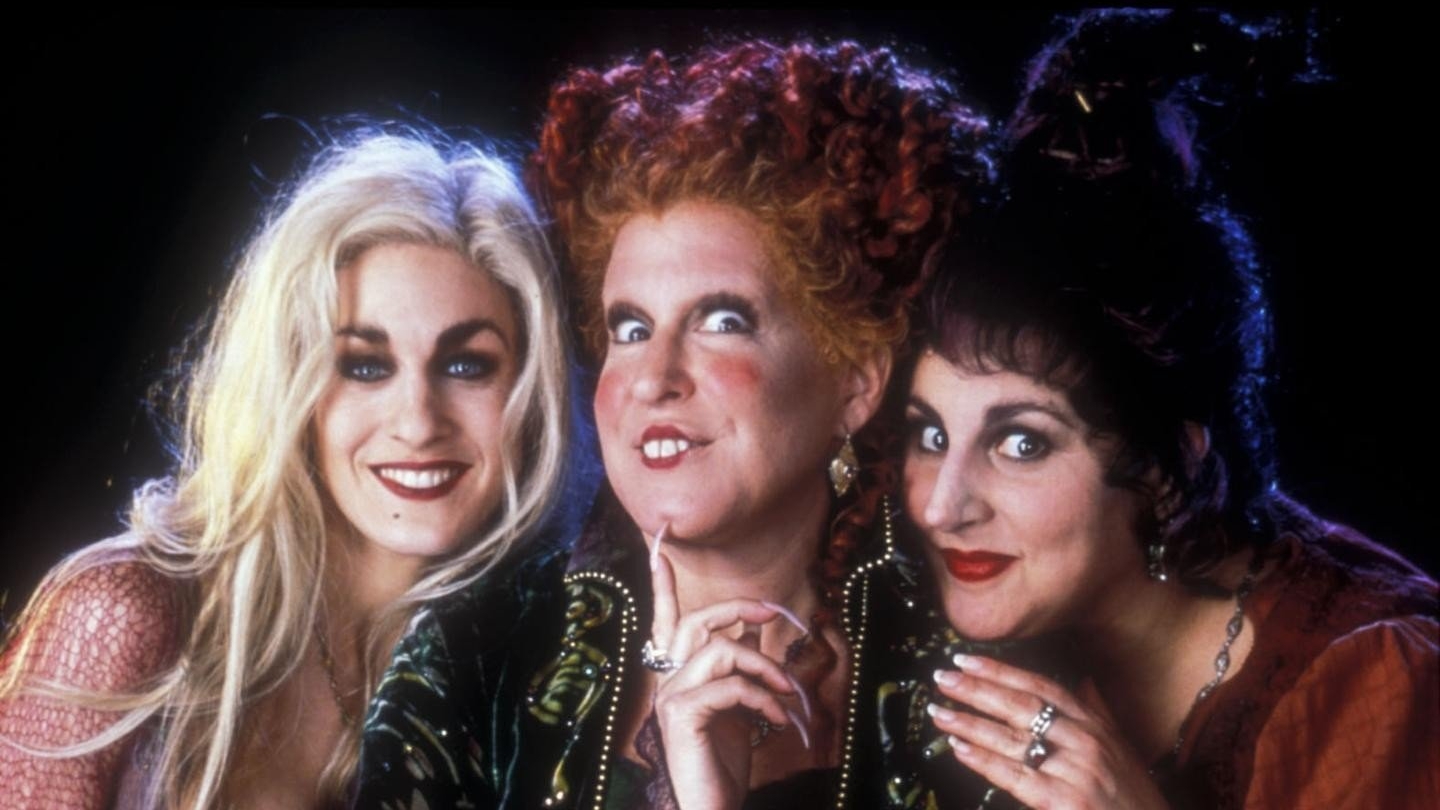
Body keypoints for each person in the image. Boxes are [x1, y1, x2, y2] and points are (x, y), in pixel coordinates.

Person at [356, 39, 988, 808]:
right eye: (629, 329)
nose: (653, 378)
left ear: (855, 381)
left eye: (721, 321)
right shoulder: (474, 664)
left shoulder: (968, 677)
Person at [891, 10, 1439, 809]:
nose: (943, 507)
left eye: (1021, 444)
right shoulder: (960, 623)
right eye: (931, 433)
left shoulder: (1373, 686)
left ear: (1170, 465)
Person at [0, 131, 575, 807]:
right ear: (292, 388)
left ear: (533, 393)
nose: (419, 422)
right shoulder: (127, 614)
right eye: (365, 366)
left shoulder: (533, 670)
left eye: (466, 365)